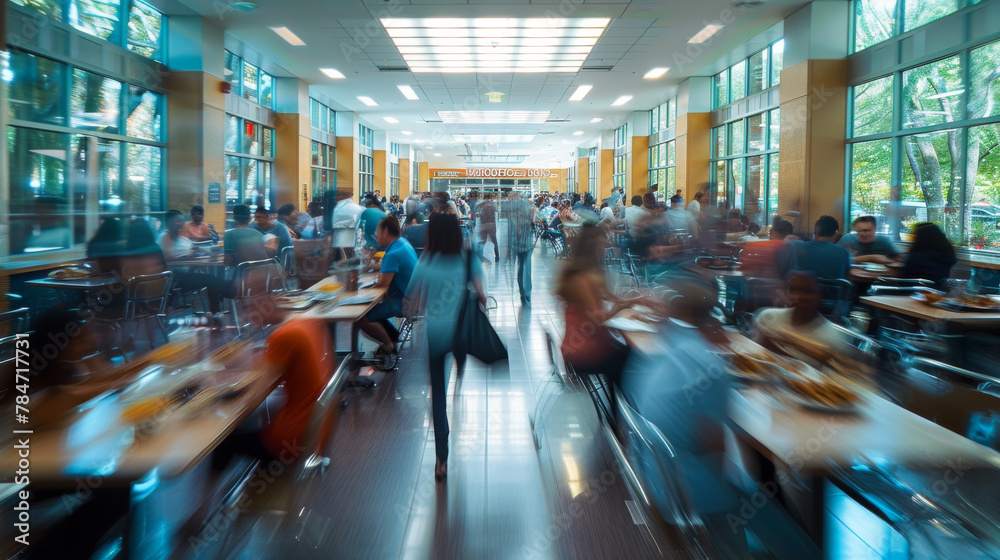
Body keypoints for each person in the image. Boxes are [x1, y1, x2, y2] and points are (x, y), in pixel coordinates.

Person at [404, 212, 486, 481]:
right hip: (460, 330)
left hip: (436, 334)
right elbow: (482, 296)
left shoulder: (426, 261)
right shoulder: (468, 258)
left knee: (437, 393)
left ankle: (441, 459)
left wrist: (415, 311)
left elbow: (410, 299)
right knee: (459, 350)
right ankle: (460, 363)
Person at [213, 300, 332, 471]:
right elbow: (275, 368)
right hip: (319, 426)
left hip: (296, 441)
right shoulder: (306, 321)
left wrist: (219, 404)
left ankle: (208, 497)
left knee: (225, 440)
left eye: (249, 306)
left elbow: (251, 402)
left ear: (268, 300)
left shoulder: (283, 336)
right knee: (264, 413)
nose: (246, 315)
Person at [557, 225, 640, 399]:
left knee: (626, 351)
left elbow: (610, 298)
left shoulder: (586, 272)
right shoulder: (582, 278)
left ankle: (619, 406)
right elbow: (598, 317)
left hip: (578, 346)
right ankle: (621, 411)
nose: (608, 243)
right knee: (632, 357)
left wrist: (636, 300)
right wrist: (623, 307)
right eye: (604, 240)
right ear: (593, 244)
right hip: (583, 353)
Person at [358, 216, 417, 369]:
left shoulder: (392, 254)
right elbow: (390, 267)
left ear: (384, 231)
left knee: (361, 317)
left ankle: (389, 346)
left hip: (405, 303)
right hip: (415, 297)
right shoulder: (403, 244)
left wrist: (361, 287)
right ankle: (393, 338)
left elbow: (382, 286)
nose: (376, 237)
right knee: (371, 310)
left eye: (377, 233)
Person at [753, 272, 854, 362]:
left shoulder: (833, 338)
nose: (798, 296)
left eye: (806, 291)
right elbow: (752, 353)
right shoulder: (767, 317)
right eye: (793, 290)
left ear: (818, 295)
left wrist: (788, 341)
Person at [901, 222, 957, 287]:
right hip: (939, 293)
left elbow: (904, 279)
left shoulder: (915, 258)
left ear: (921, 239)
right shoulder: (947, 257)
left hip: (914, 293)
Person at [508, 193, 536, 305]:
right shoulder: (530, 208)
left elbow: (513, 230)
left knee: (520, 268)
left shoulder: (513, 213)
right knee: (526, 268)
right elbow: (533, 222)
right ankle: (526, 294)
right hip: (527, 243)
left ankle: (522, 293)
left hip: (519, 244)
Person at [330, 189, 364, 259]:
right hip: (351, 231)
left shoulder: (339, 207)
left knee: (348, 252)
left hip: (344, 232)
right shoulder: (357, 207)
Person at [477, 194, 500, 262]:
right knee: (494, 241)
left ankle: (480, 257)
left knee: (482, 242)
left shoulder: (486, 205)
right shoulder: (492, 205)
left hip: (486, 225)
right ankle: (497, 256)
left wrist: (480, 214)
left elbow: (485, 215)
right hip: (492, 225)